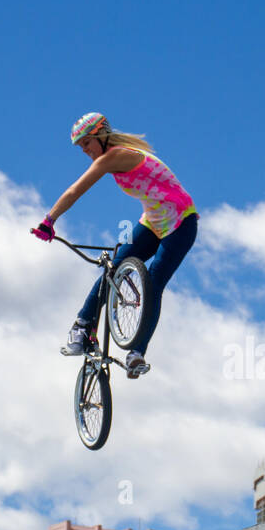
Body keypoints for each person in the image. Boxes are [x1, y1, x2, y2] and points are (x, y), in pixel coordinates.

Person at [32, 112, 198, 378]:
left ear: (101, 135)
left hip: (181, 223)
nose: (85, 150)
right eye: (81, 147)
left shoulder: (114, 156)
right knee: (114, 267)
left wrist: (49, 219)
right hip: (152, 222)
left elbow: (76, 189)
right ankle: (83, 326)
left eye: (87, 143)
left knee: (154, 284)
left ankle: (136, 354)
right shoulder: (110, 157)